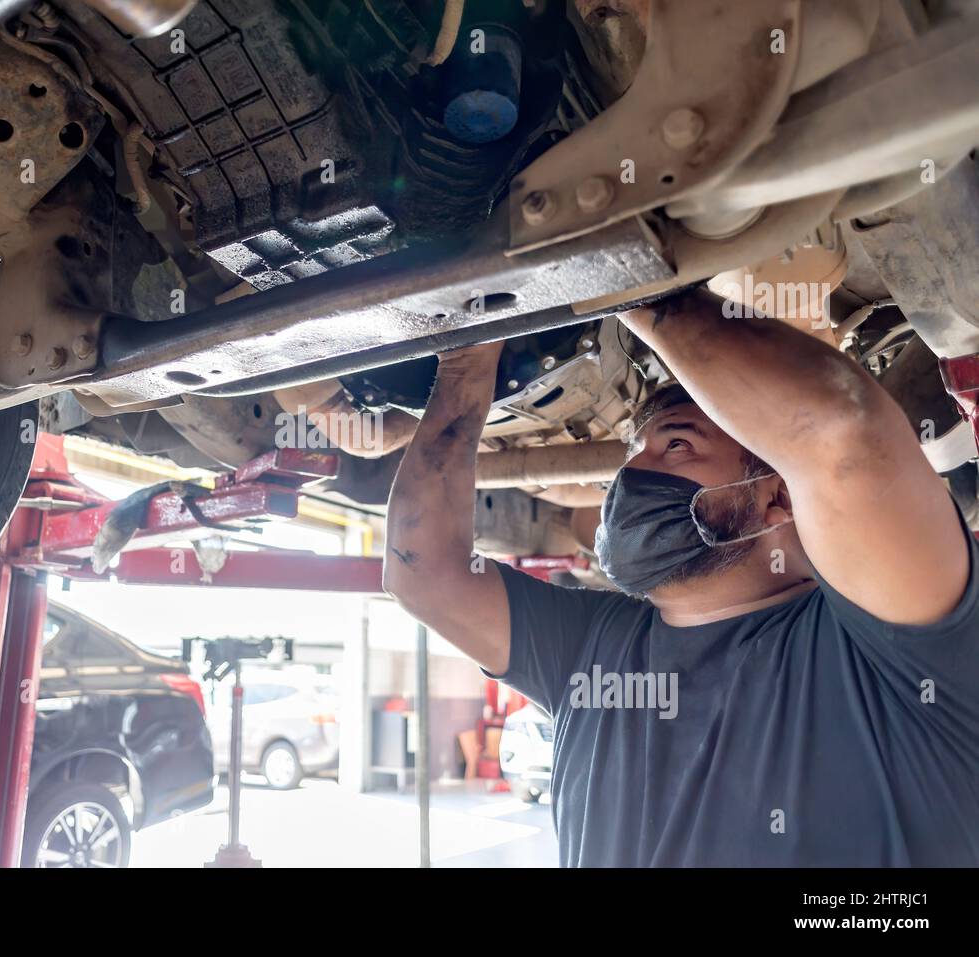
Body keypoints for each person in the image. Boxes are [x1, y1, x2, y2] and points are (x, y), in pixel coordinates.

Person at [384, 288, 979, 866]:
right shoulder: (592, 650)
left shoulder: (891, 654)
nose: (629, 475)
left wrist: (623, 279)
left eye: (675, 444)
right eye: (632, 452)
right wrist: (467, 364)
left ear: (778, 496)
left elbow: (846, 433)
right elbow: (421, 569)